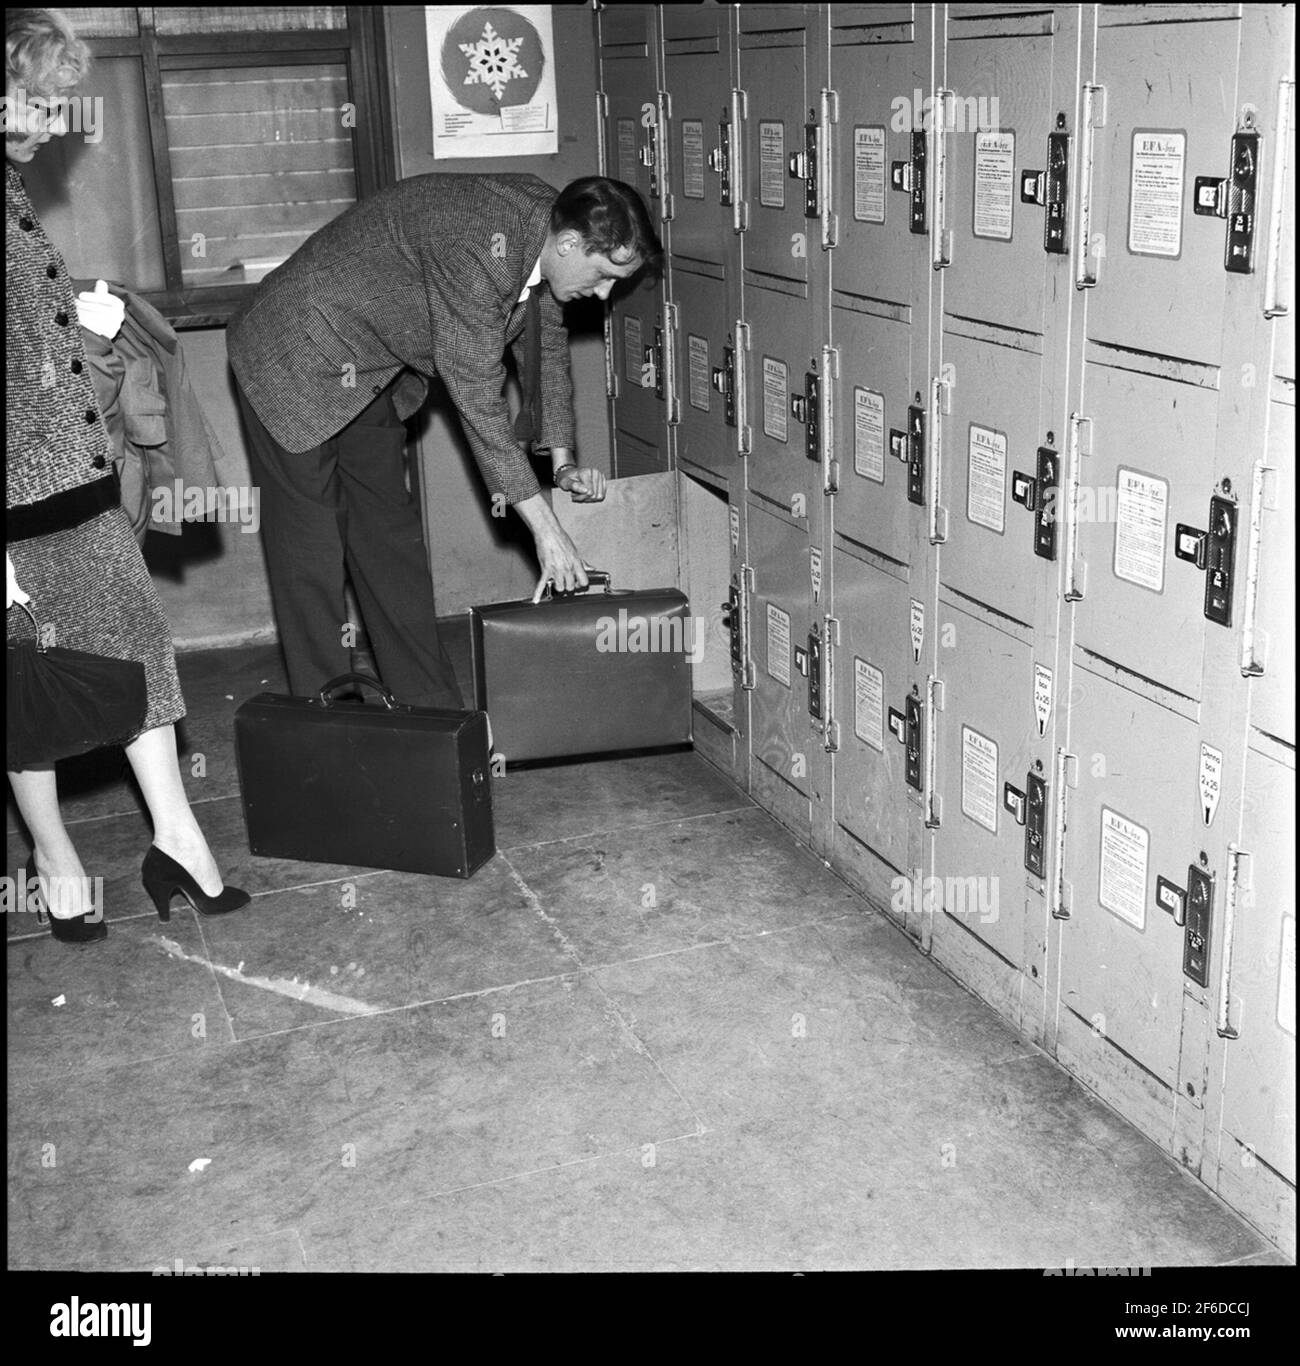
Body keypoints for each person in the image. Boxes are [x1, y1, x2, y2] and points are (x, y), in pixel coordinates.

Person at [227, 172, 662, 707]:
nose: (603, 294)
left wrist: (563, 464)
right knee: (311, 555)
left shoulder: (550, 226)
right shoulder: (477, 246)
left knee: (392, 542)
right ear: (569, 244)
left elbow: (544, 346)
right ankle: (328, 726)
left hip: (366, 369)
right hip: (293, 349)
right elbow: (478, 395)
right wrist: (545, 531)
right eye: (602, 276)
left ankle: (432, 715)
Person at [5, 7, 249, 944]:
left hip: (72, 474)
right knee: (27, 673)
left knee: (138, 646)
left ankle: (178, 839)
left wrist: (77, 320)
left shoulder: (11, 185)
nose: (56, 123)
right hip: (15, 507)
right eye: (40, 102)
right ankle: (56, 860)